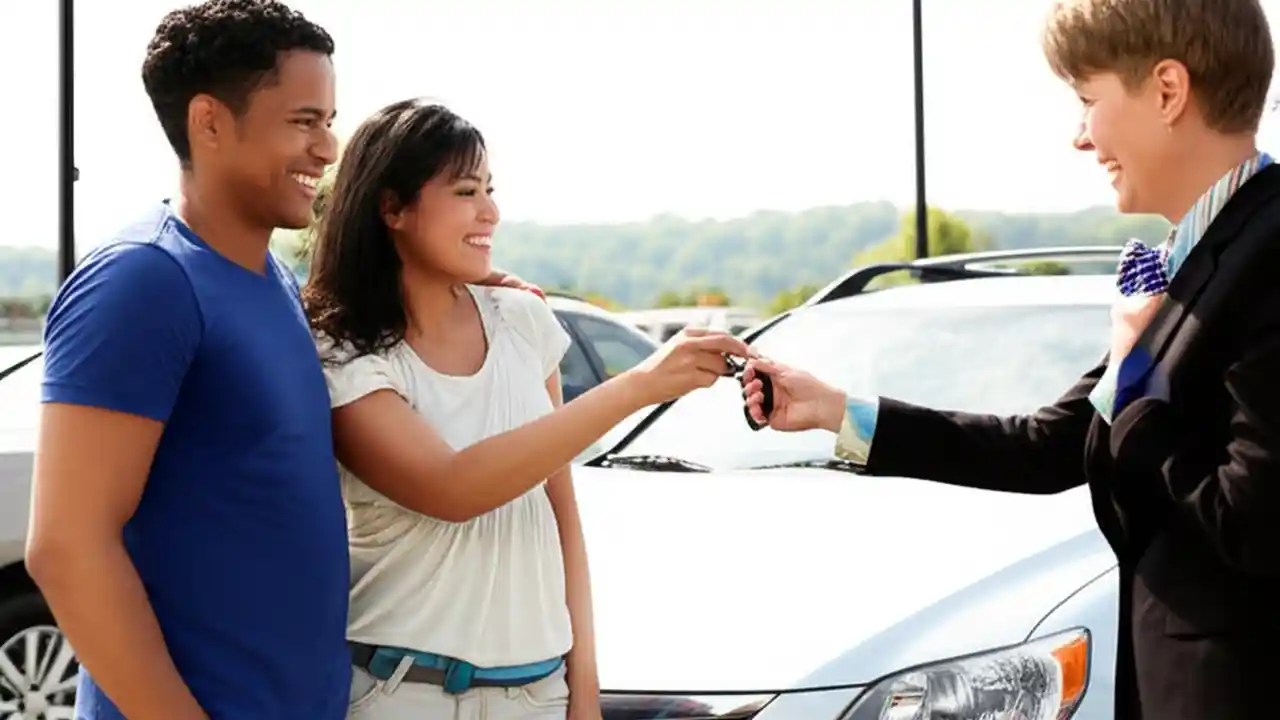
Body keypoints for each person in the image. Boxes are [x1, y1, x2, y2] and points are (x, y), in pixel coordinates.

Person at [742, 1, 1280, 718]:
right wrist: (834, 411)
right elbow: (1047, 447)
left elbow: (1253, 526)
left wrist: (1135, 389)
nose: (1080, 137)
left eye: (1087, 100)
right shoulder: (1195, 258)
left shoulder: (1270, 250)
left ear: (1167, 91)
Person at [25, 3, 534, 718]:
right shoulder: (143, 279)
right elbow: (67, 546)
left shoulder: (276, 284)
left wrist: (468, 283)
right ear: (209, 121)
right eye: (304, 121)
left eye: (329, 121)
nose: (328, 148)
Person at [300, 99, 752, 720]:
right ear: (392, 208)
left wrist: (583, 691)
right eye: (466, 191)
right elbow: (452, 487)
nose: (490, 211)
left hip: (539, 695)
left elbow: (562, 515)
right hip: (401, 692)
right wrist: (639, 385)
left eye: (490, 189)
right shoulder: (340, 349)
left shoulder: (522, 320)